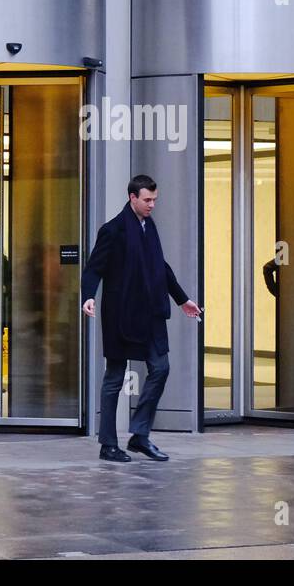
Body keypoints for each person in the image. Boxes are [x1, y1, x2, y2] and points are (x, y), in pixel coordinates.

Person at [82, 174, 201, 462]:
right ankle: (108, 445)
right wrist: (89, 296)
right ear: (132, 197)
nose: (152, 205)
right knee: (114, 378)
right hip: (122, 316)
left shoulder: (150, 227)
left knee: (161, 368)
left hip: (151, 315)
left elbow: (160, 267)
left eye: (154, 200)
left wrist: (182, 299)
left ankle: (140, 436)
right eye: (147, 200)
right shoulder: (113, 230)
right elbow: (94, 267)